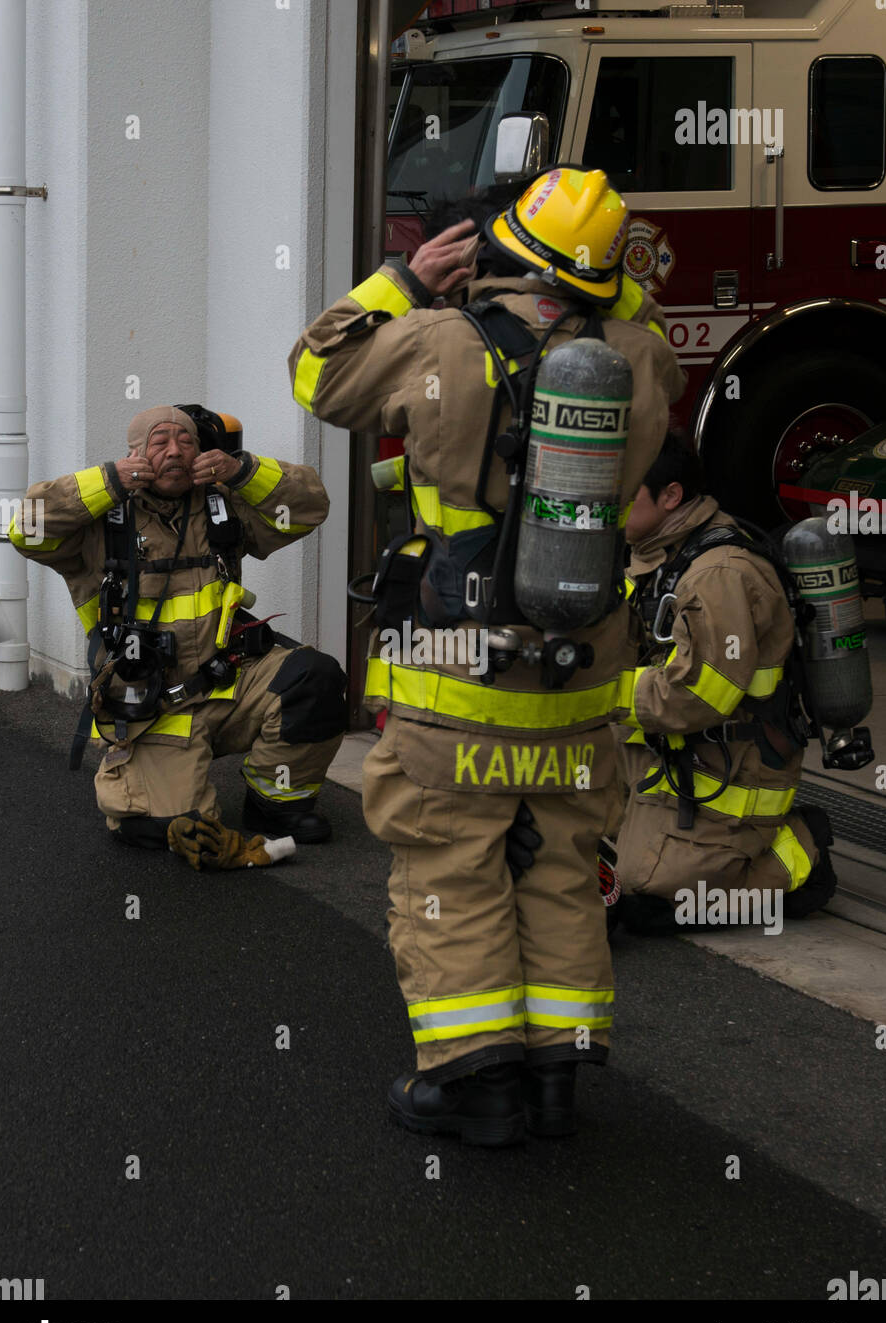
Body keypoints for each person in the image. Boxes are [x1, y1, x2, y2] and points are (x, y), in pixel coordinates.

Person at [290, 166, 685, 1143]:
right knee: (560, 868)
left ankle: (476, 1088)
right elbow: (632, 313)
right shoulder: (641, 356)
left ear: (496, 244)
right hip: (579, 675)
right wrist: (611, 284)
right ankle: (555, 1080)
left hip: (458, 675)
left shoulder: (436, 339)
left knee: (452, 870)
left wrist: (402, 281)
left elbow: (315, 373)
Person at [10, 405, 347, 866]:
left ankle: (275, 802)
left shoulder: (222, 506)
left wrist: (243, 471)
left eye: (186, 442)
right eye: (160, 442)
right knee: (174, 826)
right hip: (155, 707)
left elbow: (310, 509)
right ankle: (142, 781)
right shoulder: (102, 523)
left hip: (228, 683)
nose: (175, 451)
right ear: (134, 454)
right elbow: (25, 530)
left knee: (315, 679)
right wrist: (108, 481)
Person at [613, 431, 836, 933]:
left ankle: (799, 851)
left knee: (648, 892)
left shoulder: (720, 575)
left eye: (624, 493)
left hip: (729, 774)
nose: (608, 504)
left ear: (671, 496)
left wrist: (600, 694)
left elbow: (695, 696)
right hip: (666, 755)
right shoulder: (656, 552)